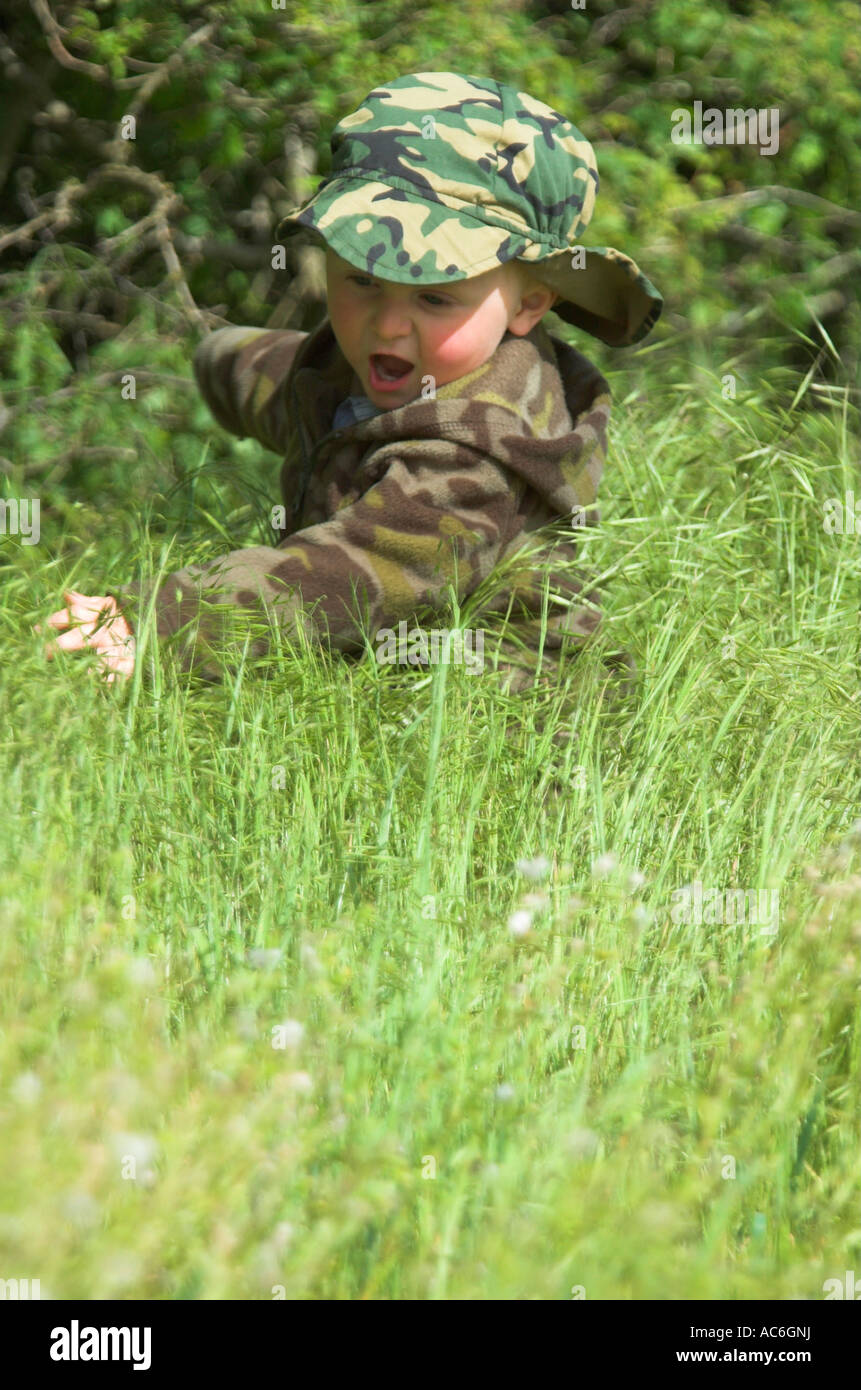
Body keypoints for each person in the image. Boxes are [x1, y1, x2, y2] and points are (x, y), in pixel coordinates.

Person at [40, 71, 661, 696]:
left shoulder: (475, 461)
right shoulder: (356, 371)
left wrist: (166, 621)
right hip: (373, 672)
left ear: (529, 304)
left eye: (435, 297)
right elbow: (282, 384)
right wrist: (216, 357)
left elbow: (349, 571)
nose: (387, 325)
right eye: (363, 279)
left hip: (498, 719)